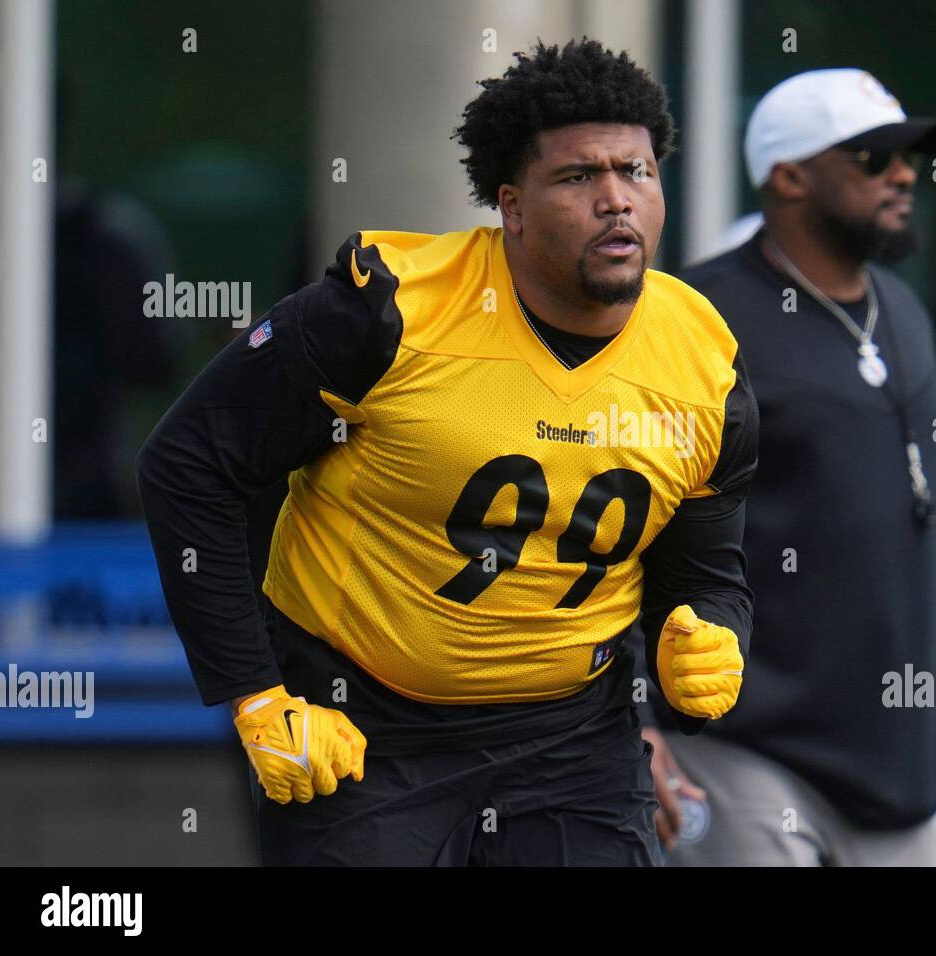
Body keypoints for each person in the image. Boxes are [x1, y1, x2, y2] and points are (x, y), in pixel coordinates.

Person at [136, 37, 758, 867]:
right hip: (366, 722)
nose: (616, 200)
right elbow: (188, 464)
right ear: (512, 206)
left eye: (635, 172)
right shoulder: (388, 315)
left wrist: (712, 633)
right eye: (578, 176)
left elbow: (703, 571)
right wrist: (255, 692)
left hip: (573, 738)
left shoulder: (704, 365)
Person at [636, 68, 936, 864]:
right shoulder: (698, 321)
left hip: (899, 771)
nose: (904, 174)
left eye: (908, 157)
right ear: (790, 178)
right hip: (744, 751)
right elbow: (625, 529)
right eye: (873, 158)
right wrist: (635, 712)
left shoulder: (902, 309)